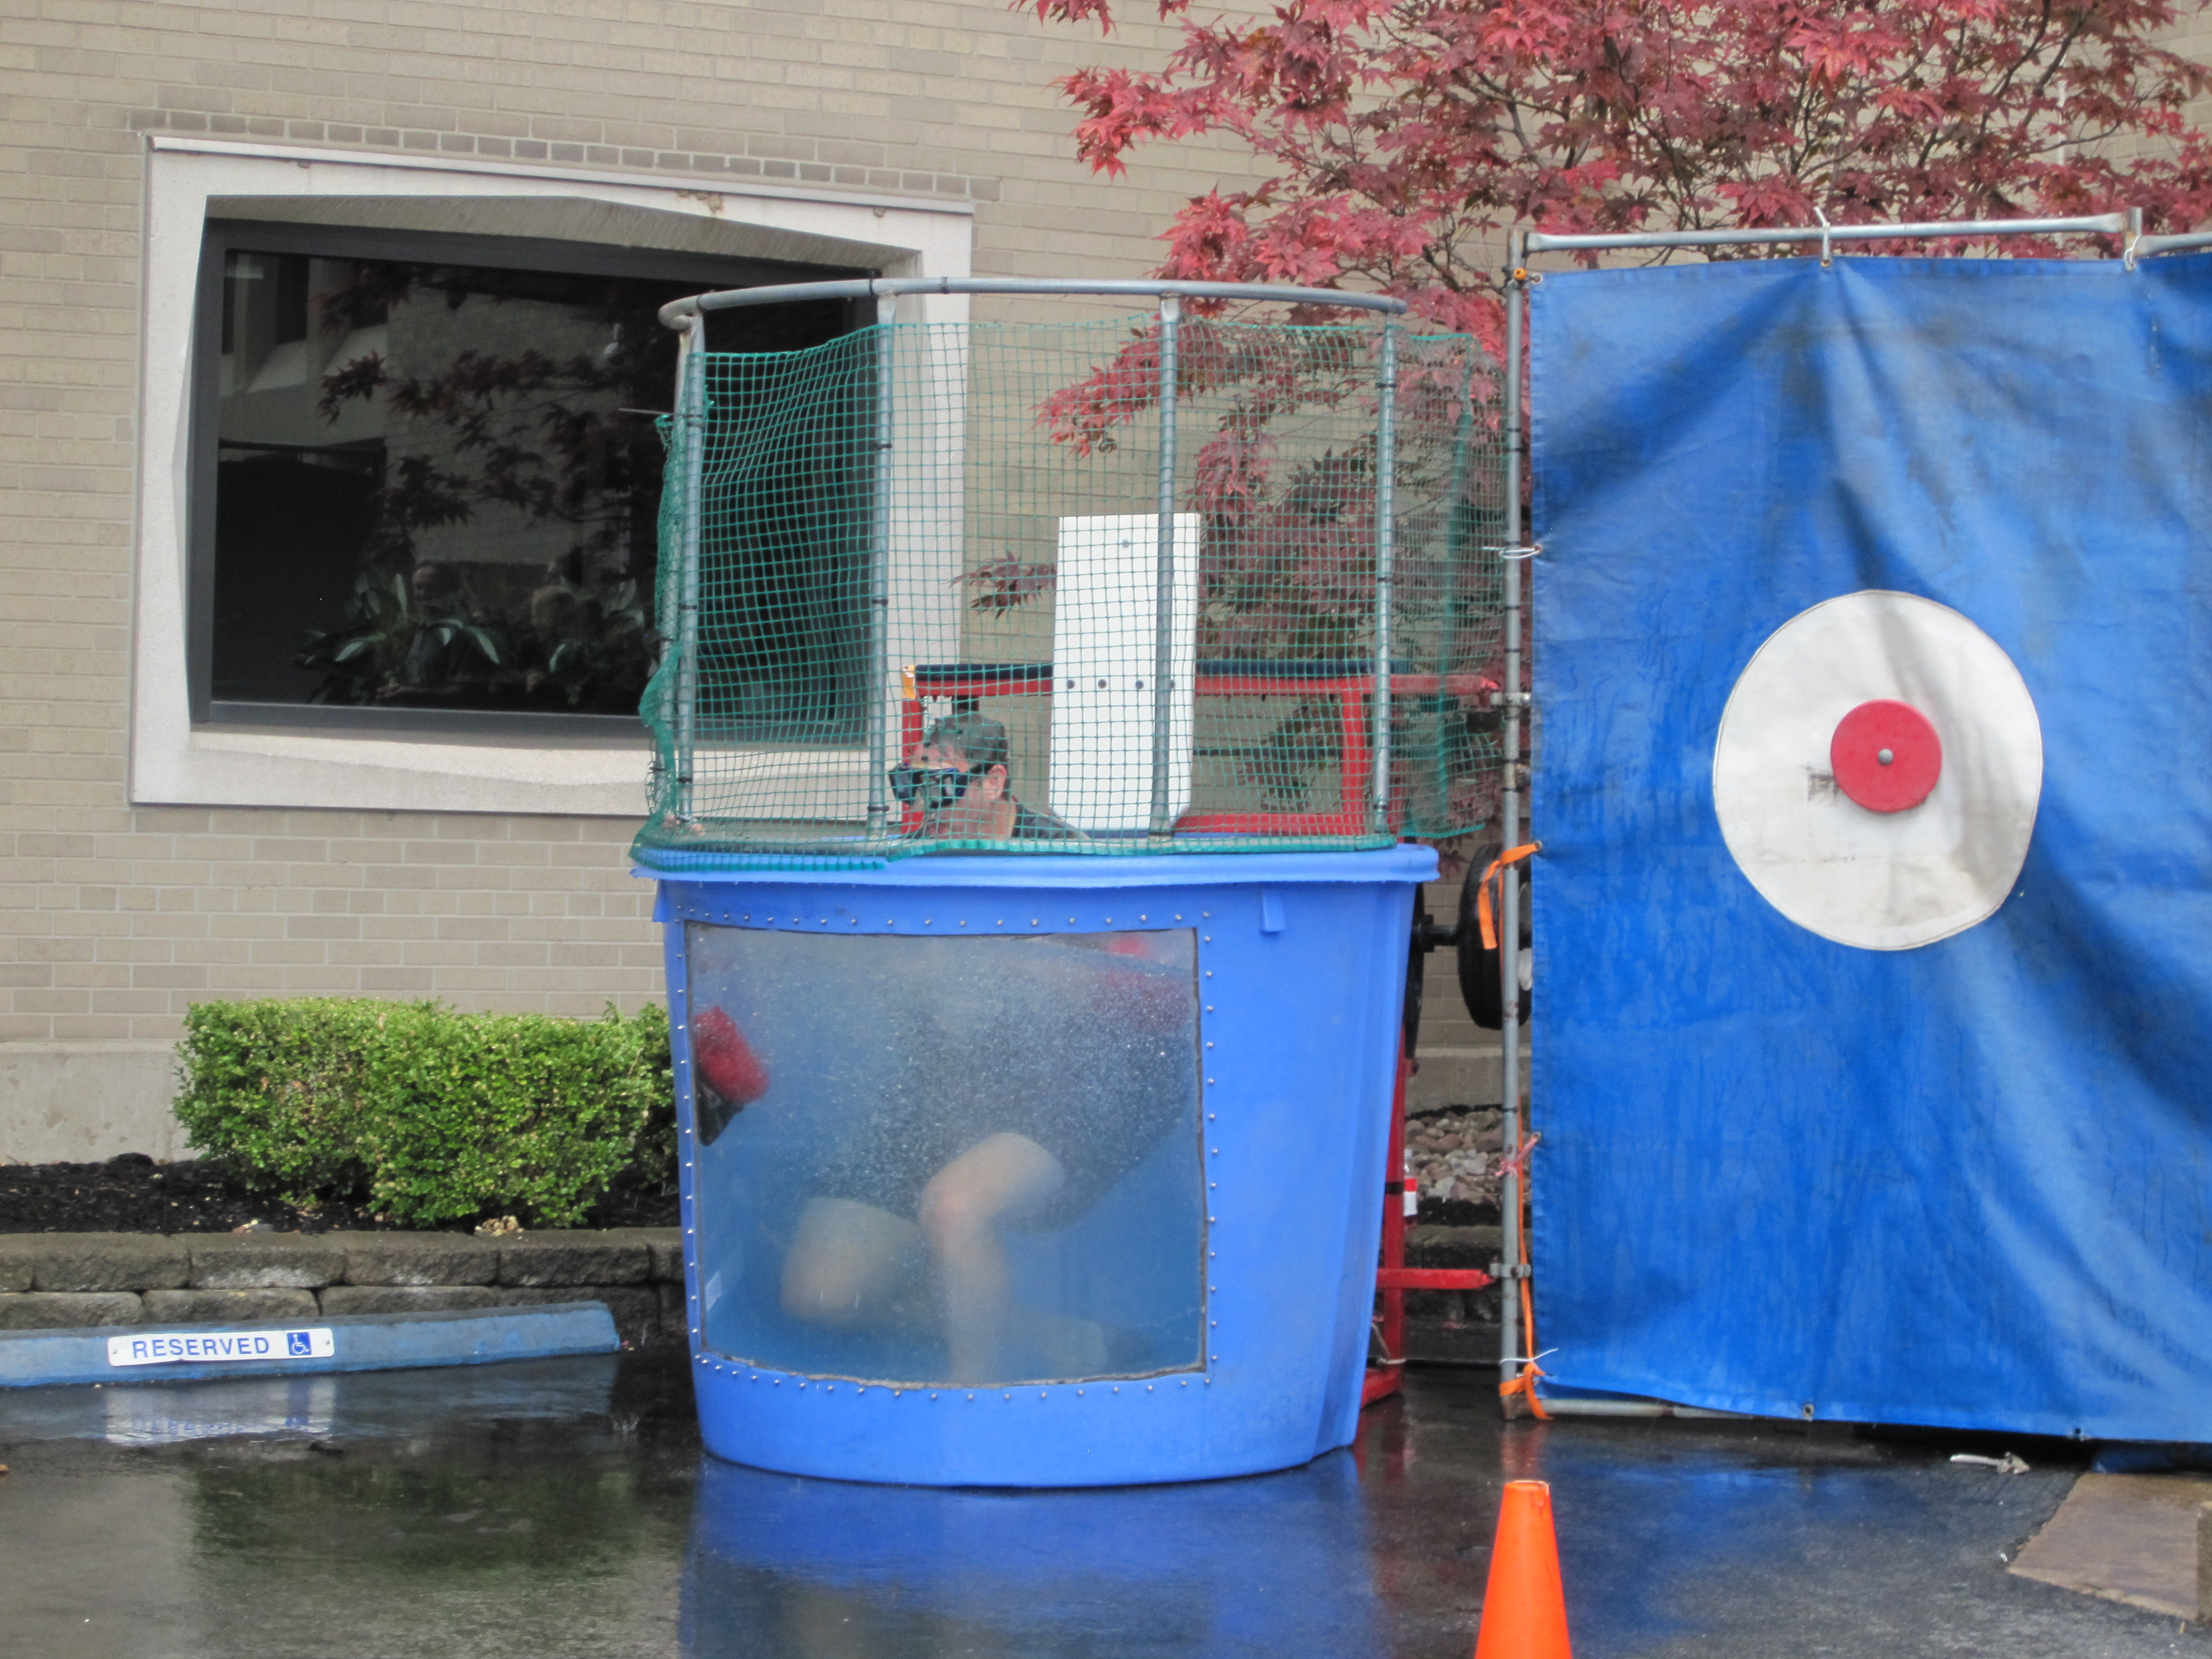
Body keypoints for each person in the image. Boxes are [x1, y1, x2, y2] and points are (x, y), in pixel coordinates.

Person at [887, 711, 1082, 843]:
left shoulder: (1061, 849)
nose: (930, 808)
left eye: (940, 786)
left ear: (993, 782)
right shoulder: (912, 853)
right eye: (915, 788)